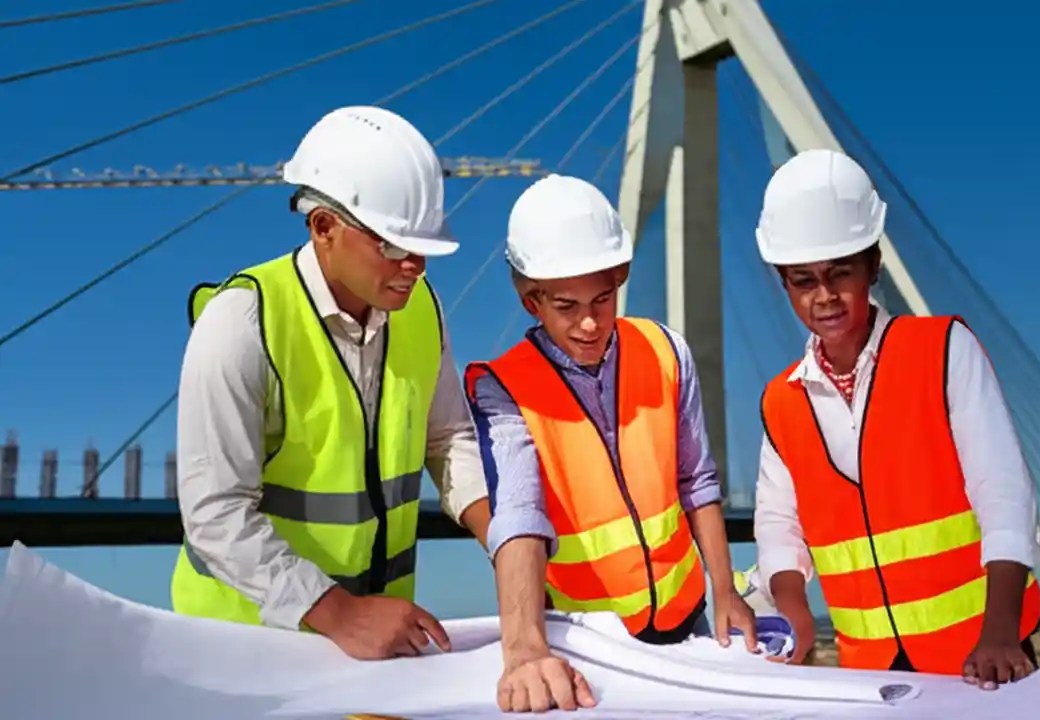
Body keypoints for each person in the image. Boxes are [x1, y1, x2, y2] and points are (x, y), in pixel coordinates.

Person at [171, 106, 492, 661]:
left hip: (376, 643)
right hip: (242, 649)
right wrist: (339, 612)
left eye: (424, 250)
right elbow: (215, 512)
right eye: (393, 245)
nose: (414, 266)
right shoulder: (242, 324)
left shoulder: (421, 311)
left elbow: (448, 439)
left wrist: (507, 537)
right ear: (324, 228)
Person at [751, 149, 1040, 689]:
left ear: (875, 265)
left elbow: (1003, 490)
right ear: (784, 283)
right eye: (802, 280)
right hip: (873, 676)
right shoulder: (780, 401)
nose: (824, 296)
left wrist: (1000, 632)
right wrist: (792, 607)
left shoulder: (942, 351)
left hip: (983, 659)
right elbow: (778, 524)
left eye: (840, 273)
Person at [464, 174, 758, 713]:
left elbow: (698, 480)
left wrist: (726, 589)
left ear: (621, 275)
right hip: (588, 643)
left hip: (689, 615)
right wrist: (525, 648)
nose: (589, 322)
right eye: (566, 305)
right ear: (531, 301)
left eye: (604, 297)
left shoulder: (666, 350)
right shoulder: (502, 388)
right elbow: (519, 515)